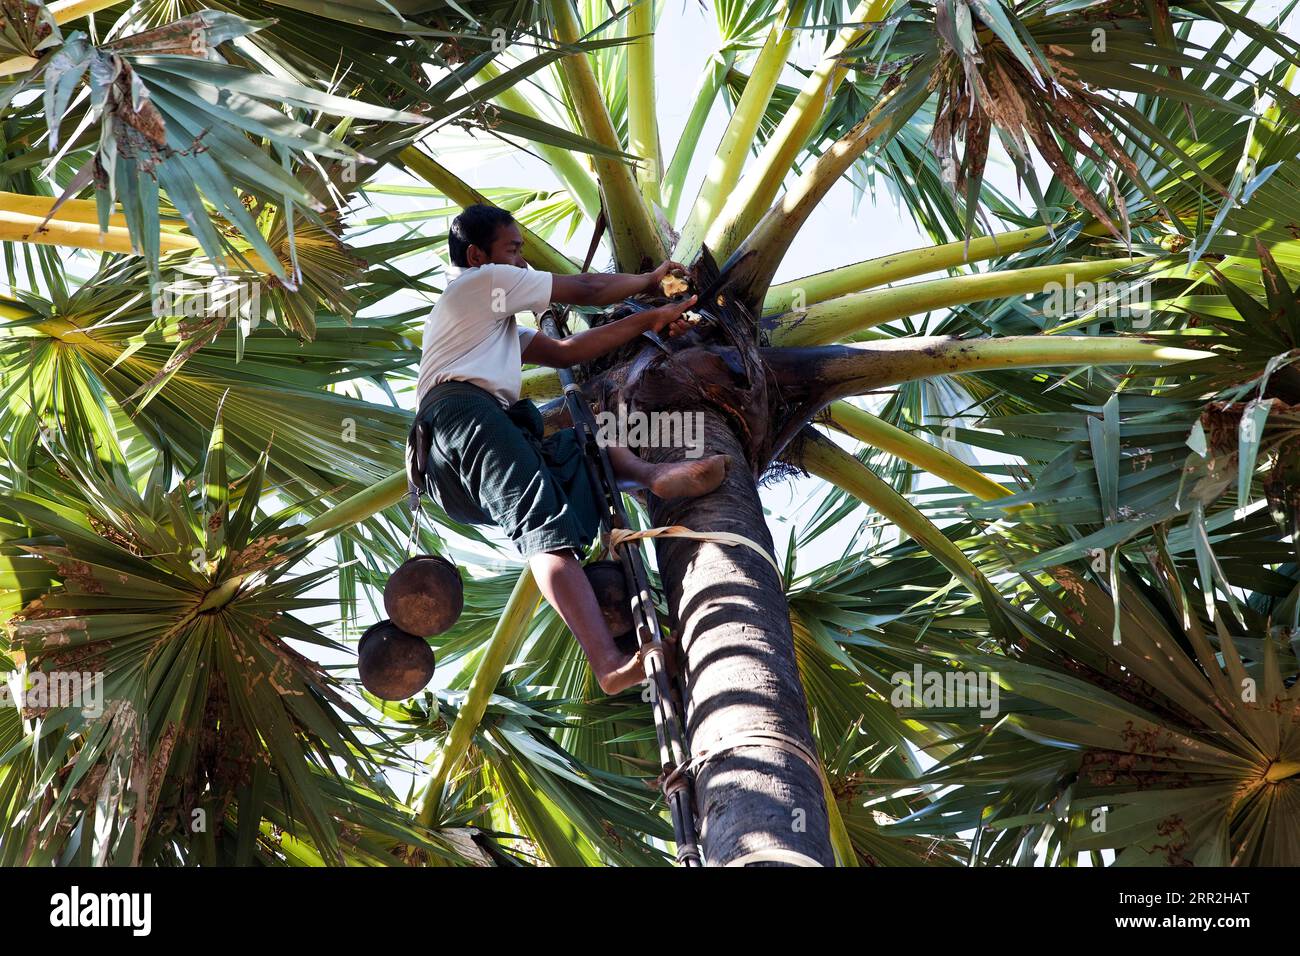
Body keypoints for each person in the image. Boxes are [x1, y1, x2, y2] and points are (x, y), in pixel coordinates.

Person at [412, 204, 728, 694]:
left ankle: (652, 476)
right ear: (478, 255)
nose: (521, 263)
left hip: (448, 468)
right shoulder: (481, 283)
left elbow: (567, 352)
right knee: (543, 528)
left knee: (583, 446)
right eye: (513, 250)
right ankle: (609, 665)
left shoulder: (490, 326)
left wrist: (652, 320)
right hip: (463, 416)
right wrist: (649, 281)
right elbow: (588, 290)